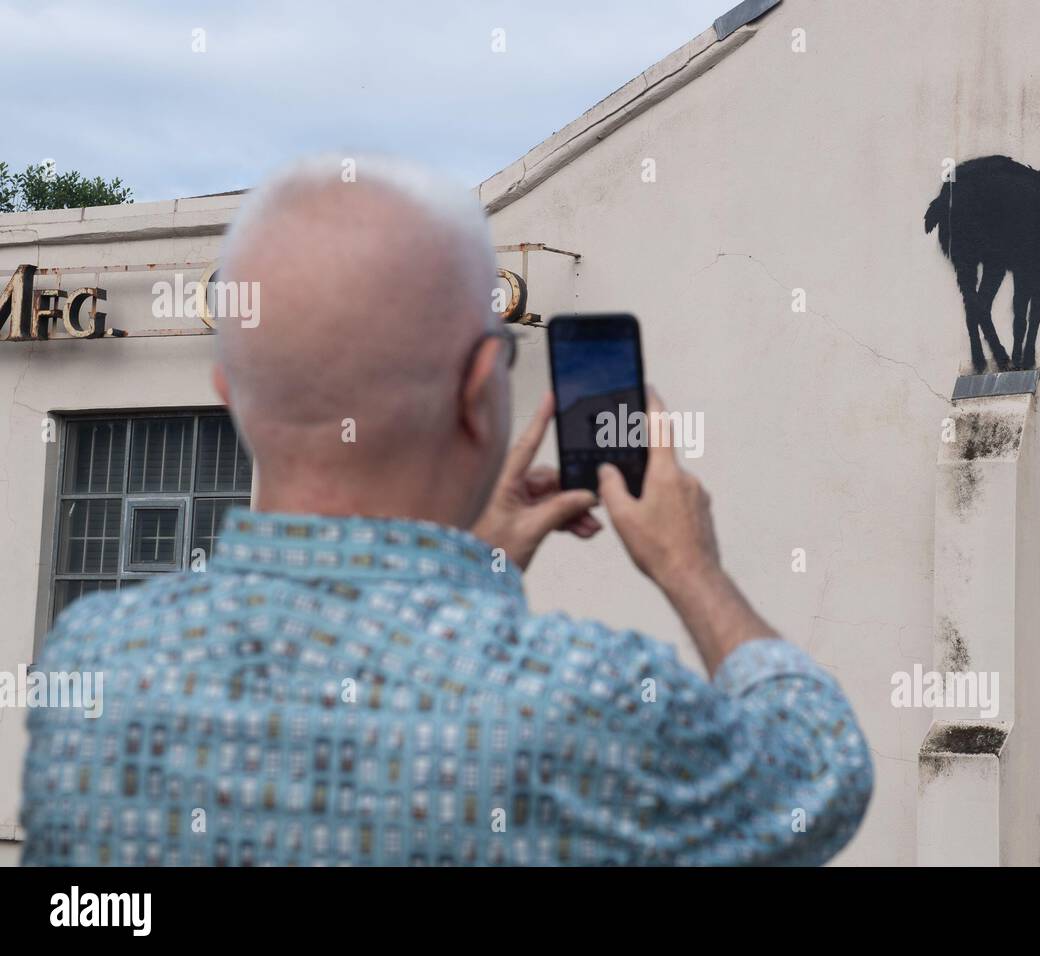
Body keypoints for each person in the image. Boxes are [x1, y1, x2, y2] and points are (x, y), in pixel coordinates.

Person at [21, 155, 872, 866]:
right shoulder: (582, 699)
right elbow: (818, 774)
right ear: (478, 393)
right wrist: (692, 567)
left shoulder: (92, 666)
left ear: (230, 395)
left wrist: (475, 568)